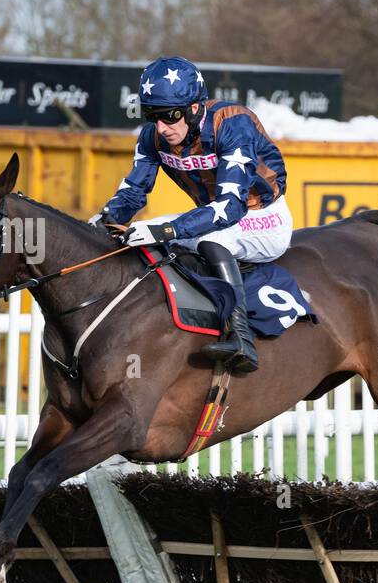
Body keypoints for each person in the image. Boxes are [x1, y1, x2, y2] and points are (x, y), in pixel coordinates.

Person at [89, 56, 291, 373]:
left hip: (261, 214)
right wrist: (102, 224)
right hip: (214, 215)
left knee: (207, 236)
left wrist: (168, 230)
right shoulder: (151, 137)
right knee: (134, 234)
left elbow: (231, 206)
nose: (160, 127)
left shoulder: (233, 124)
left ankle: (241, 339)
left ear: (195, 108)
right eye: (151, 116)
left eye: (169, 116)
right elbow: (133, 192)